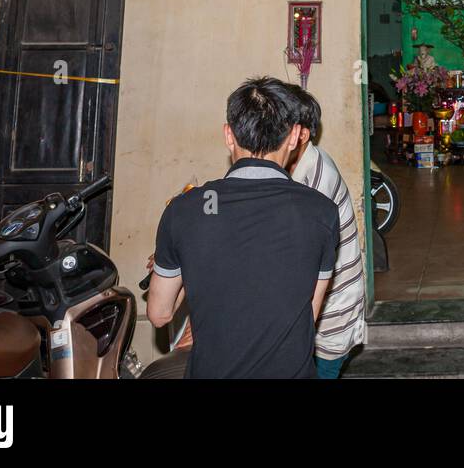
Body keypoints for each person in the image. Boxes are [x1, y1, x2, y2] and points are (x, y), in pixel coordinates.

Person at [147, 77, 339, 378]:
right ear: (292, 136)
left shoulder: (184, 210)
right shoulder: (321, 211)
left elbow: (159, 315)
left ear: (228, 135)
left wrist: (189, 262)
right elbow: (308, 314)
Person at [288, 98, 367, 379]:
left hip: (329, 318)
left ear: (301, 135)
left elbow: (298, 264)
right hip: (321, 318)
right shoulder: (301, 168)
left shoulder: (313, 181)